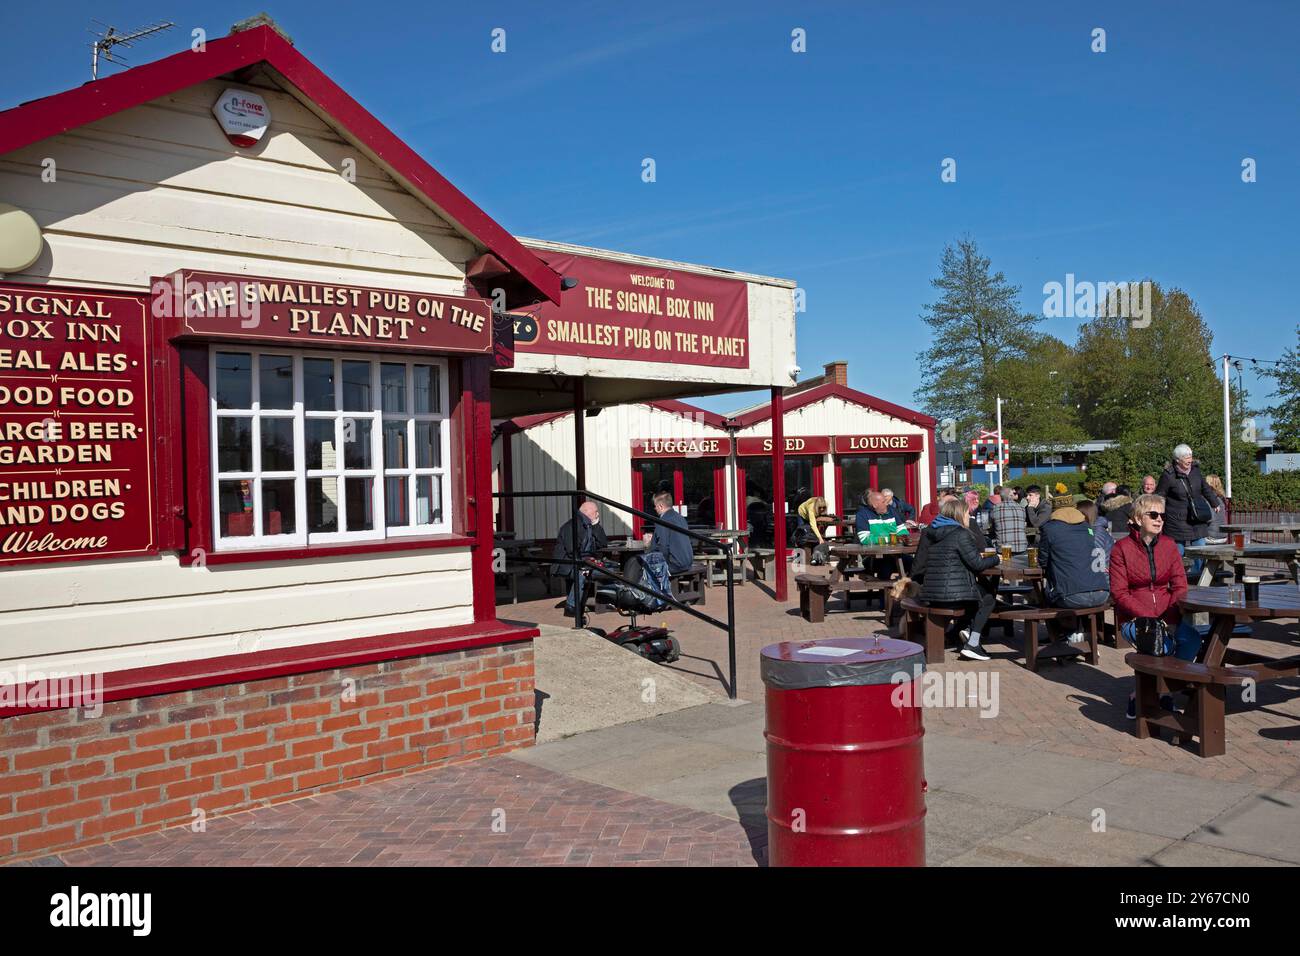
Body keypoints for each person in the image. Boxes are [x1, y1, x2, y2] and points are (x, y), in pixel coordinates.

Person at [1109, 493, 1203, 719]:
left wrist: (1169, 618)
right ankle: (1145, 695)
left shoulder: (1170, 546)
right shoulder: (1121, 549)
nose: (1159, 519)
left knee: (1191, 639)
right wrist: (1151, 618)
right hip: (1135, 618)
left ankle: (1163, 690)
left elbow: (1180, 585)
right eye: (1153, 514)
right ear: (1139, 519)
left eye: (1162, 515)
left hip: (1168, 613)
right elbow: (1119, 593)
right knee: (1160, 644)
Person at [911, 497, 1001, 661]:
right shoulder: (960, 534)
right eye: (967, 514)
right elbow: (978, 564)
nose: (969, 517)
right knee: (988, 596)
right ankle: (972, 643)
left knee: (979, 592)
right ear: (959, 515)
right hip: (952, 595)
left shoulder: (931, 532)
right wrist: (997, 559)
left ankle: (965, 630)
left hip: (931, 592)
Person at [1038, 502, 1111, 644]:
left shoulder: (1049, 529)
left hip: (1073, 597)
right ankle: (1077, 633)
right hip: (1102, 592)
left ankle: (1065, 636)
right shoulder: (1087, 528)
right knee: (1073, 586)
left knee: (1046, 597)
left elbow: (1043, 560)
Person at [1155, 444, 1222, 572]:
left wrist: (1214, 503)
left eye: (1190, 456)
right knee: (1177, 553)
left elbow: (1204, 488)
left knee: (1200, 551)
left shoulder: (1196, 471)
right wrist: (1158, 513)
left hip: (1196, 518)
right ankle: (1177, 577)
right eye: (1186, 457)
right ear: (1177, 460)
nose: (1189, 460)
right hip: (1176, 520)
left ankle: (1196, 578)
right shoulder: (1168, 475)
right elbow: (1160, 495)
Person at [552, 501, 610, 616]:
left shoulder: (589, 525)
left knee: (609, 570)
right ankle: (571, 606)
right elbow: (571, 550)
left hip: (582, 561)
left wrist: (596, 525)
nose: (598, 514)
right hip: (566, 564)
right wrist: (587, 561)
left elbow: (603, 543)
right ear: (587, 512)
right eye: (596, 512)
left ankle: (606, 601)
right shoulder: (572, 525)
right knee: (583, 572)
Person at [644, 490, 694, 574]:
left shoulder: (663, 521)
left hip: (675, 564)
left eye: (655, 506)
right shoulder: (680, 518)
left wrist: (648, 546)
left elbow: (663, 547)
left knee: (638, 563)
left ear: (660, 506)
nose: (655, 509)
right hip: (687, 562)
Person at [989, 489, 1029, 557]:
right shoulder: (1022, 508)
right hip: (1022, 547)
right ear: (1011, 496)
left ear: (1001, 497)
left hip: (1003, 549)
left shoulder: (995, 508)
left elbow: (991, 522)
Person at [1203, 474, 1228, 544]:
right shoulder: (1221, 498)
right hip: (1223, 535)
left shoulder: (1208, 499)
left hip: (1212, 537)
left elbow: (1209, 518)